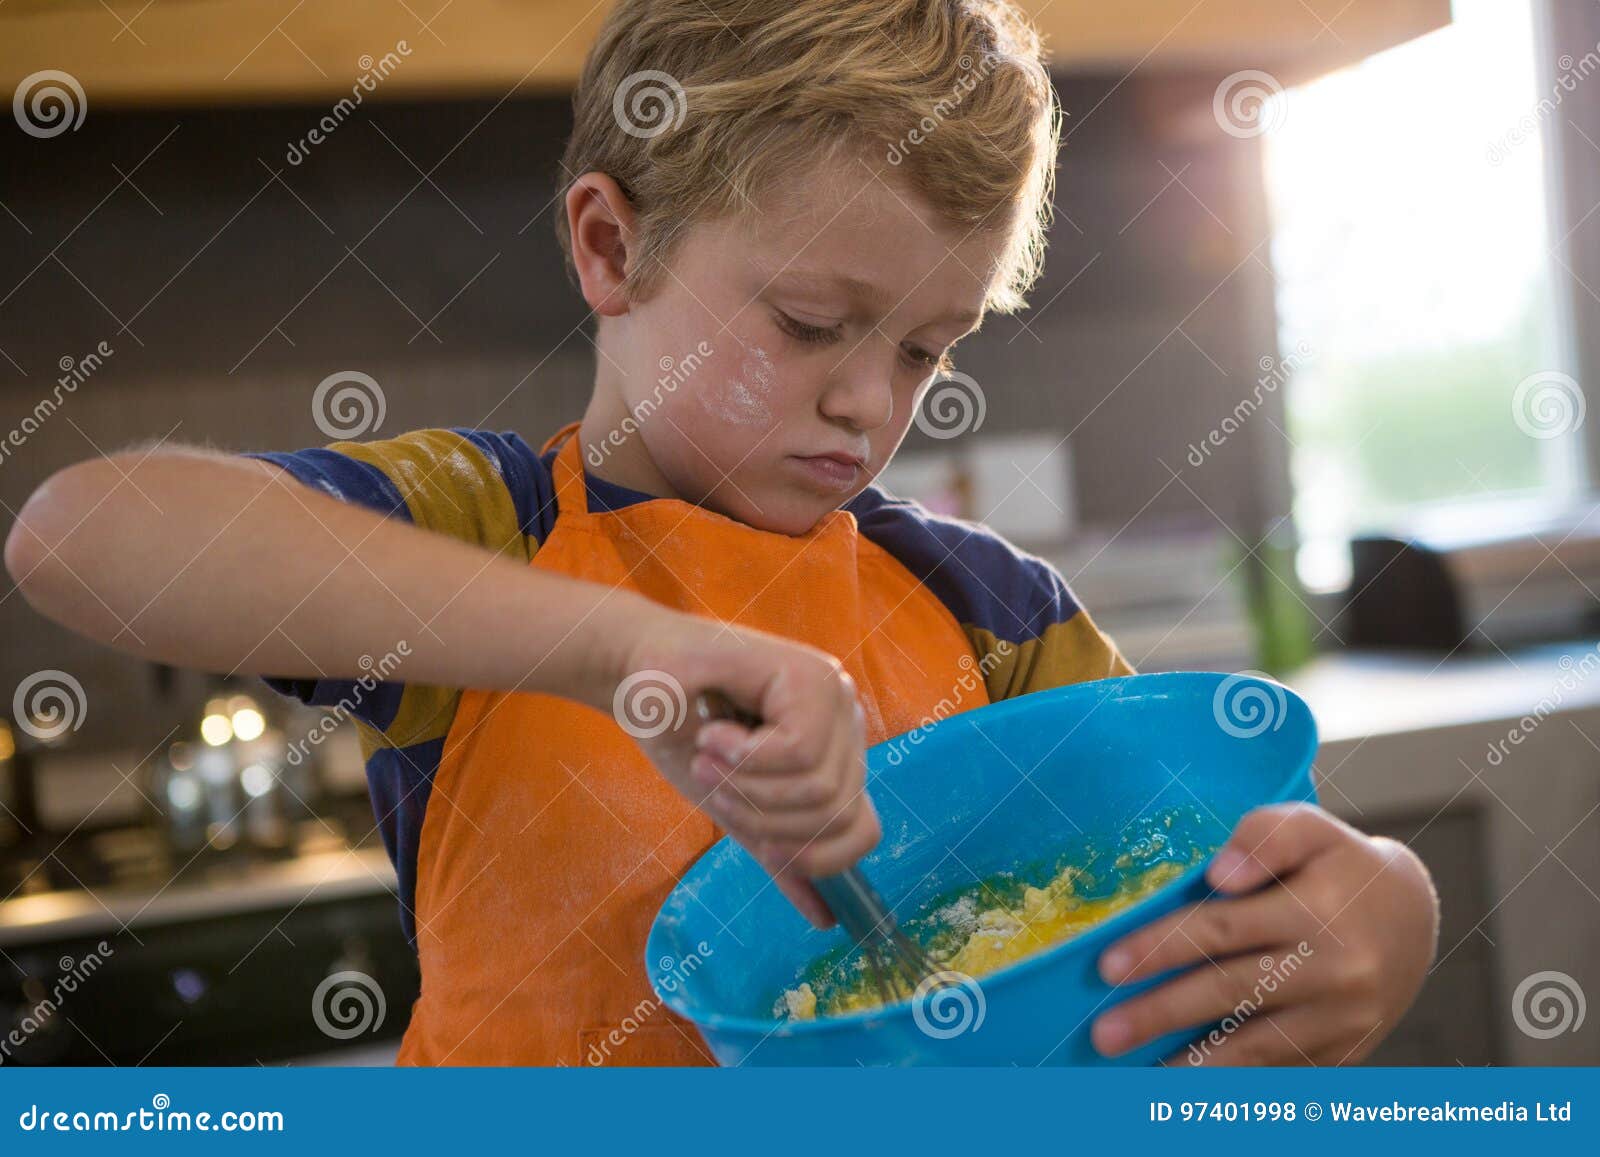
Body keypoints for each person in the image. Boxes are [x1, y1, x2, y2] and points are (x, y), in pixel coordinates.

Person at [5, 0, 1437, 1066]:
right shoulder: (492, 536)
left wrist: (1389, 903)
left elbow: (1222, 856)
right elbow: (84, 532)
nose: (869, 406)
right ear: (610, 248)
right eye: (812, 325)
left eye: (928, 349)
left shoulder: (989, 611)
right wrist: (622, 646)